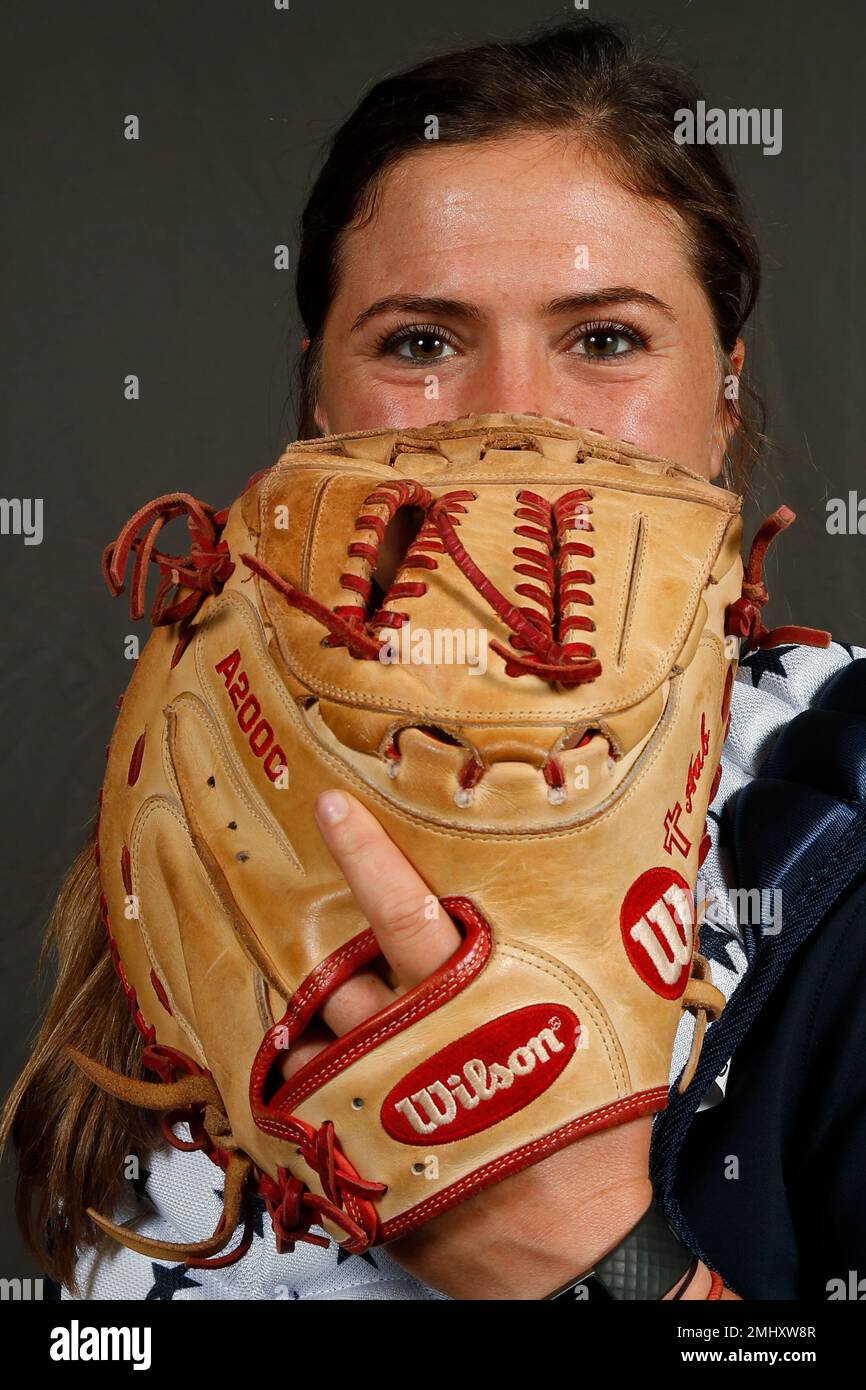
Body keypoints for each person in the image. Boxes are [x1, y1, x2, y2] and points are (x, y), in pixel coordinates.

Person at [3, 18, 864, 1302]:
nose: (513, 410)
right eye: (419, 342)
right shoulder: (213, 742)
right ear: (319, 400)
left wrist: (593, 1257)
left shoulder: (834, 807)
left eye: (606, 337)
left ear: (724, 393)